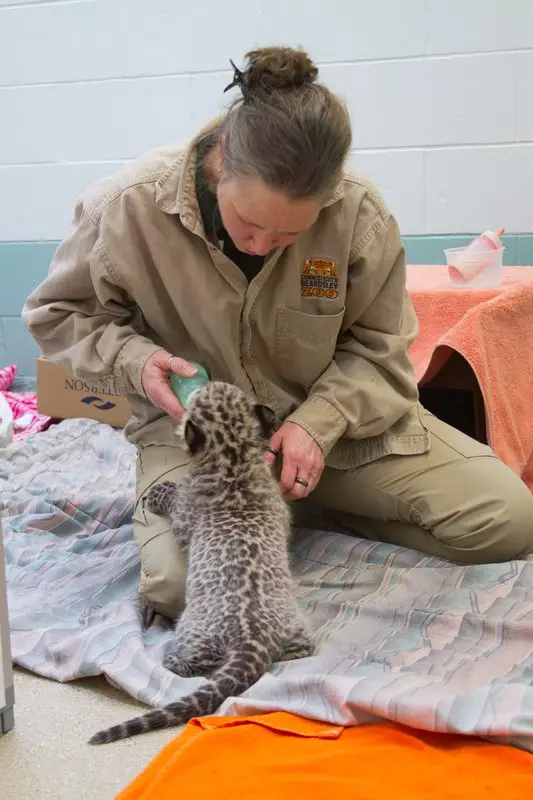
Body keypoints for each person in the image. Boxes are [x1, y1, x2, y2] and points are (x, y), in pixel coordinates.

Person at [23, 47, 533, 619]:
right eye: (249, 223)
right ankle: (279, 510)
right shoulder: (123, 209)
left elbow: (381, 350)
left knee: (508, 522)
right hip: (199, 443)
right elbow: (59, 315)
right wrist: (135, 360)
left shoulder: (360, 215)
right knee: (184, 593)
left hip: (335, 440)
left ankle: (299, 508)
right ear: (221, 167)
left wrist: (317, 427)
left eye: (291, 234)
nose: (262, 245)